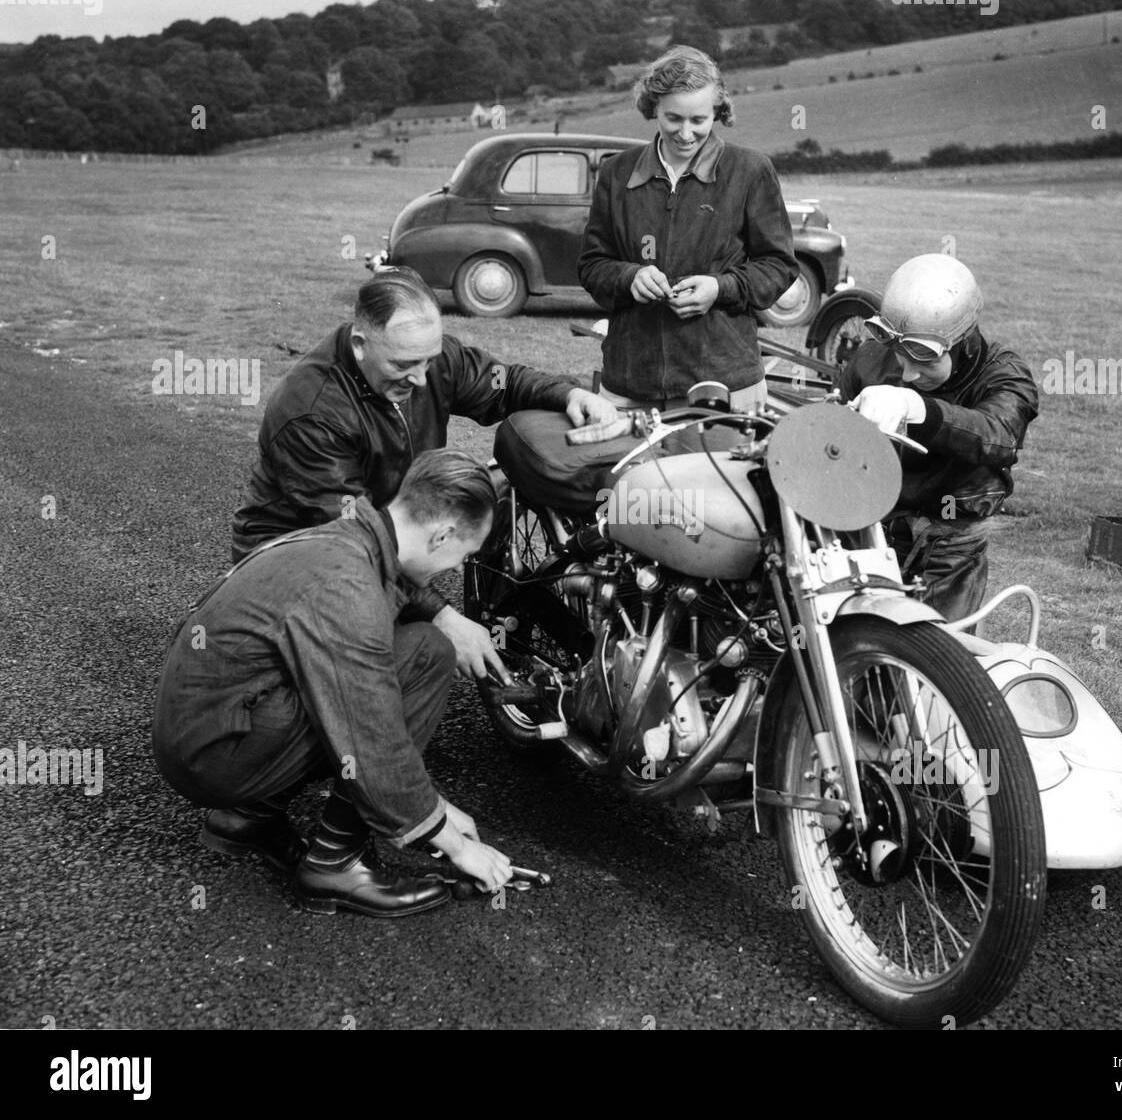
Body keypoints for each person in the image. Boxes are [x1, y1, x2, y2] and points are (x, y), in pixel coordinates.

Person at [154, 450, 515, 917]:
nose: (454, 567)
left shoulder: (350, 536)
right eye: (463, 554)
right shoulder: (348, 587)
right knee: (422, 660)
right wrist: (446, 835)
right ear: (442, 534)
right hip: (214, 756)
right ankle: (334, 864)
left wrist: (435, 805)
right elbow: (371, 733)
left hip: (209, 726)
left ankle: (250, 818)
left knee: (415, 649)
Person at [231, 268, 619, 676]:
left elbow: (504, 381)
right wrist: (443, 617)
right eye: (404, 364)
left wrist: (571, 394)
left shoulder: (430, 362)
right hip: (302, 552)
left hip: (391, 527)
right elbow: (353, 539)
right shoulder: (311, 413)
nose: (420, 378)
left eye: (428, 360)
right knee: (397, 665)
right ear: (360, 345)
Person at [578, 45, 798, 414]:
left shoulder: (750, 171)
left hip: (725, 385)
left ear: (718, 112)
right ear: (653, 109)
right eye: (673, 118)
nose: (685, 133)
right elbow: (592, 265)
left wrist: (720, 287)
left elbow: (779, 265)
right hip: (631, 383)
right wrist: (629, 277)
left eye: (698, 120)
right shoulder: (616, 174)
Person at [843, 254, 1039, 621]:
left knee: (938, 661)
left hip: (949, 543)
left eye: (925, 361)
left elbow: (997, 436)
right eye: (900, 354)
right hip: (870, 531)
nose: (908, 372)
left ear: (962, 343)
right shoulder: (871, 359)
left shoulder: (1004, 375)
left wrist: (917, 408)